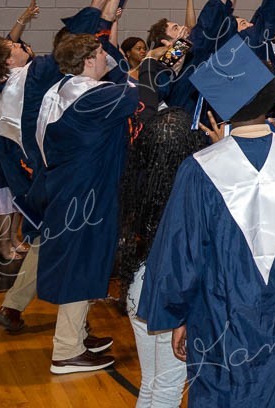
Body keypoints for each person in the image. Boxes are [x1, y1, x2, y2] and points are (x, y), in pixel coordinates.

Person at [136, 66, 275, 407]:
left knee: (221, 389)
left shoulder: (200, 168)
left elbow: (183, 251)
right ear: (271, 101)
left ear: (223, 110)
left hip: (217, 306)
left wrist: (177, 316)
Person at [31, 29, 139, 372]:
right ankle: (66, 351)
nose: (108, 55)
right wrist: (153, 67)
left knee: (81, 260)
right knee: (80, 262)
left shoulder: (61, 90)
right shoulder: (89, 96)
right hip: (85, 194)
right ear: (88, 60)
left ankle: (75, 334)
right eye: (101, 51)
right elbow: (137, 98)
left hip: (70, 187)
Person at [115, 108, 209, 408]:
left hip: (138, 285)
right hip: (172, 293)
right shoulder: (193, 194)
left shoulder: (141, 187)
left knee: (152, 380)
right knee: (168, 386)